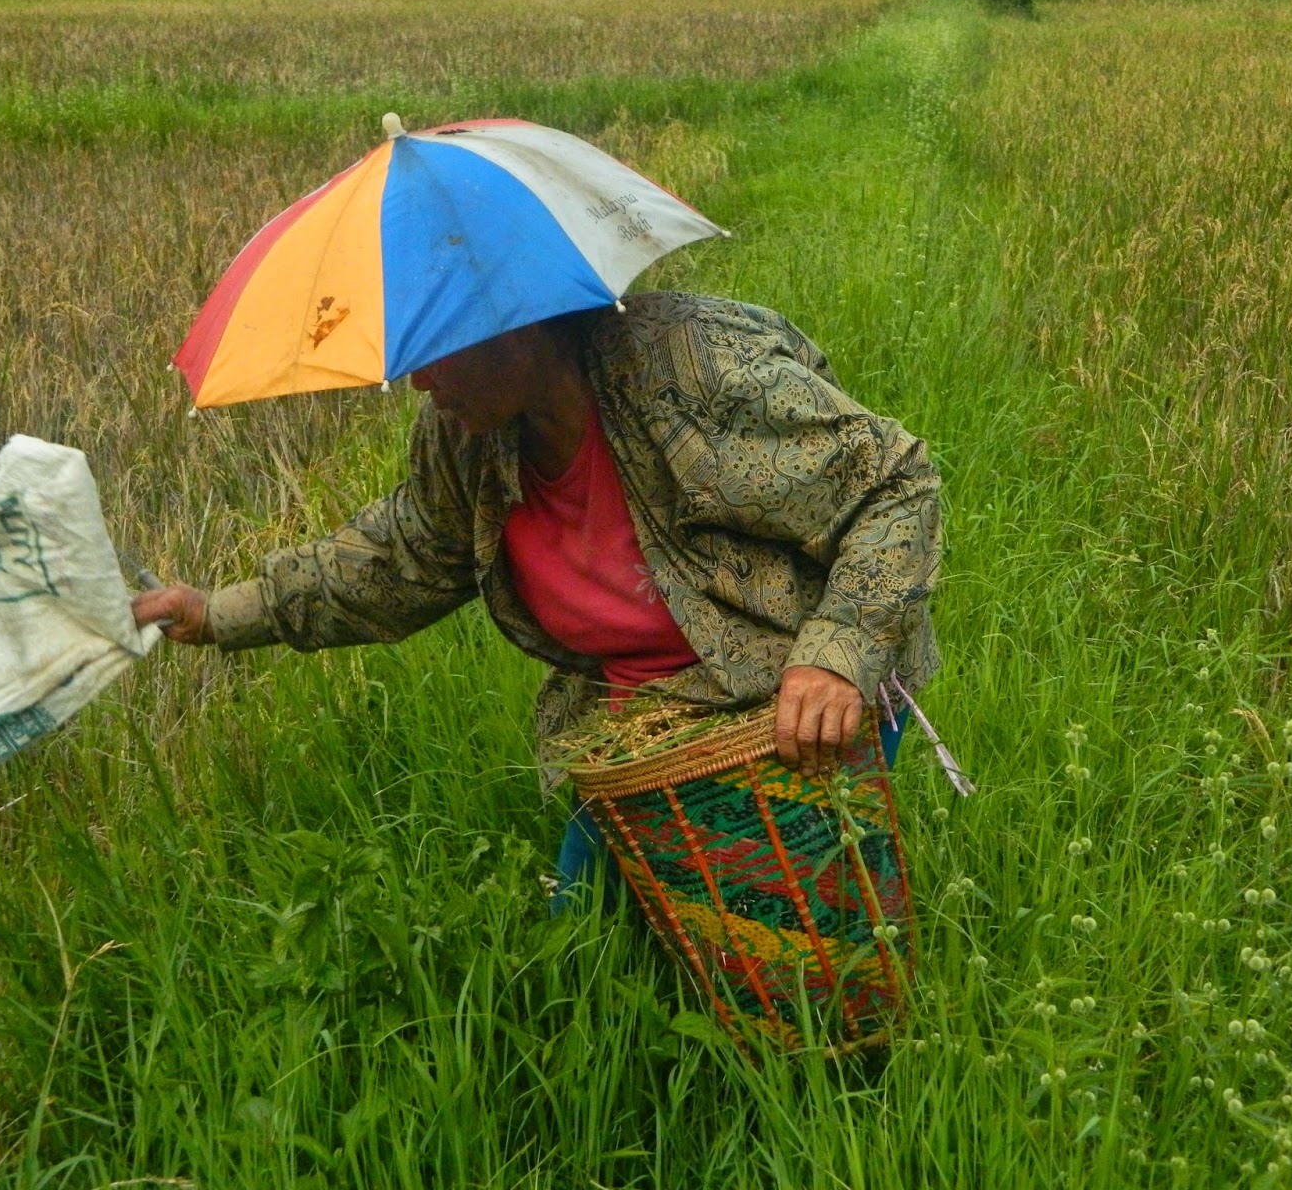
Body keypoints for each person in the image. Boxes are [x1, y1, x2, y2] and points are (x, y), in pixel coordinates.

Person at [134, 292, 941, 899]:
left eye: (437, 349)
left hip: (790, 706)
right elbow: (402, 558)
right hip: (638, 730)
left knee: (782, 958)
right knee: (587, 948)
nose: (418, 380)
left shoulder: (693, 372)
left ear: (516, 323)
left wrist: (839, 654)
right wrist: (219, 613)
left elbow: (895, 485)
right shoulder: (466, 435)